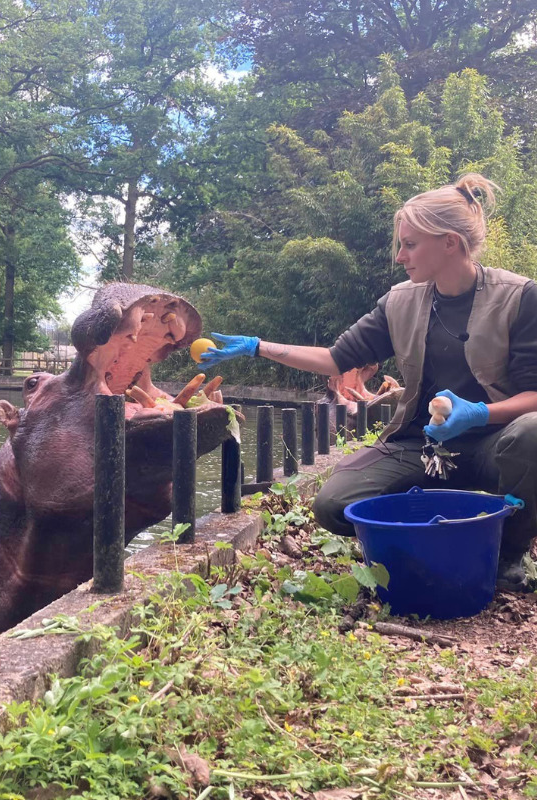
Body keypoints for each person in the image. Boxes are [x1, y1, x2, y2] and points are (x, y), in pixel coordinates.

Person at [200, 174, 537, 591]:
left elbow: (533, 397)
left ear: (450, 243)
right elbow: (336, 359)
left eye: (410, 244)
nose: (399, 257)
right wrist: (257, 347)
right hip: (421, 445)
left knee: (533, 434)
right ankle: (437, 529)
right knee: (333, 505)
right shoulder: (399, 301)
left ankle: (507, 554)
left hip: (494, 445)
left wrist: (480, 413)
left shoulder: (519, 297)